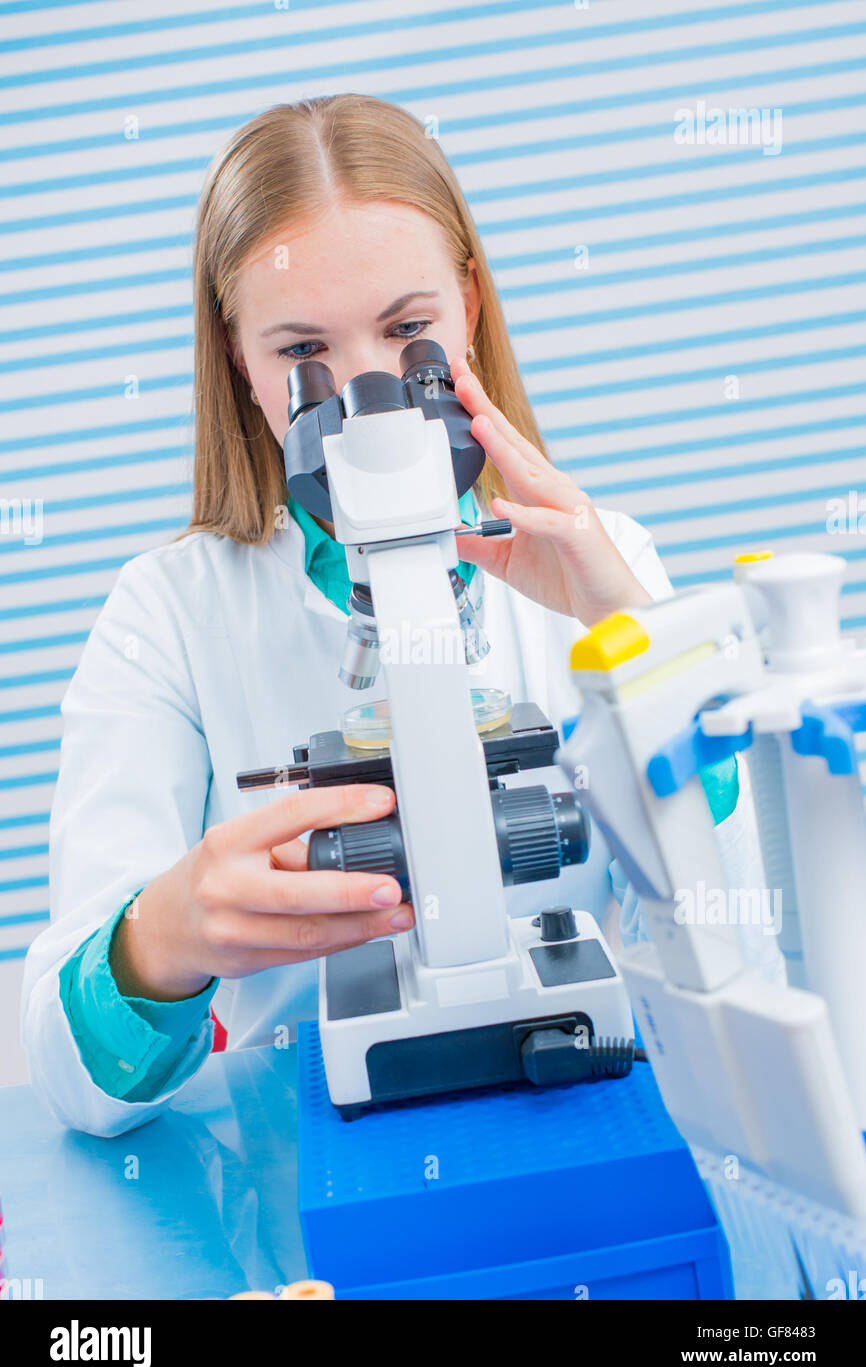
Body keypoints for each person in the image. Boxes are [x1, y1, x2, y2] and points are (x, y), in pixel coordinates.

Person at [20, 95, 779, 1138]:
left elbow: (731, 953)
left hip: (573, 1122)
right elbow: (73, 1089)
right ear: (238, 361)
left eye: (408, 333)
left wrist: (635, 640)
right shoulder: (168, 617)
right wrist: (164, 936)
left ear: (466, 310)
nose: (368, 396)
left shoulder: (607, 566)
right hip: (298, 1177)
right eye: (302, 355)